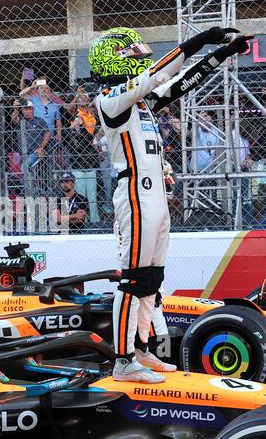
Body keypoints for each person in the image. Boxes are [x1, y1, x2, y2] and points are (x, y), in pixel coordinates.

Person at [89, 24, 250, 382]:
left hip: (156, 197)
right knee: (133, 281)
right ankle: (122, 361)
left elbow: (182, 82)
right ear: (112, 60)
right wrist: (202, 39)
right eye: (131, 55)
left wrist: (222, 54)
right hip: (134, 196)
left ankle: (142, 351)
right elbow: (163, 72)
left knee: (152, 279)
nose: (138, 61)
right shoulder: (110, 99)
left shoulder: (142, 102)